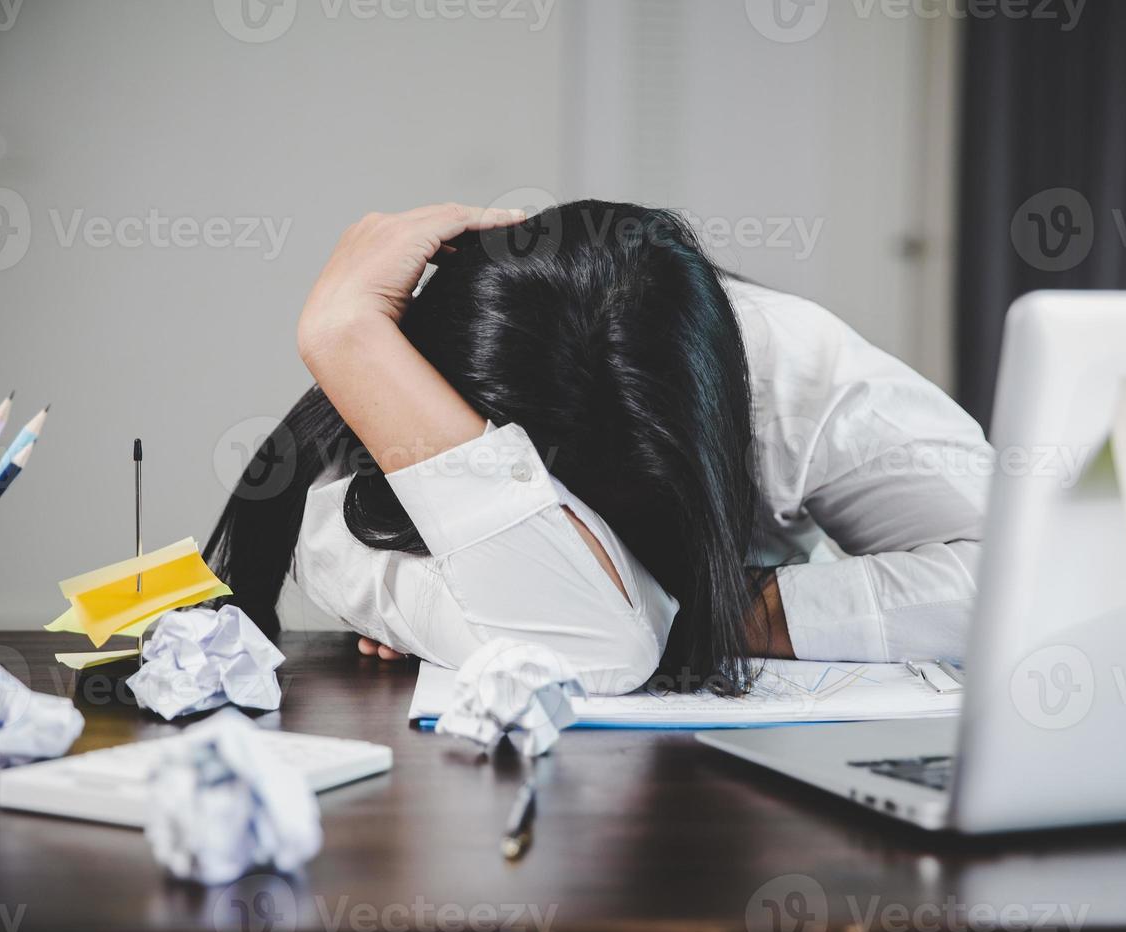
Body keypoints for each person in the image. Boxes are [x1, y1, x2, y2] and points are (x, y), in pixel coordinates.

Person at [206, 201, 990, 696]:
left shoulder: (783, 359)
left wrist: (718, 609)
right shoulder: (346, 497)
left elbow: (1032, 582)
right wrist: (343, 337)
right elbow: (596, 649)